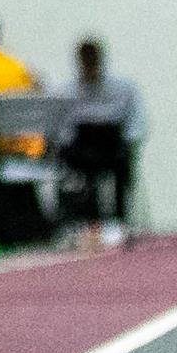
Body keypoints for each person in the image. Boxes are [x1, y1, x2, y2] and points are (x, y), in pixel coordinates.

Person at [57, 37, 143, 233]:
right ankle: (85, 218)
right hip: (82, 149)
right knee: (71, 163)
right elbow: (62, 127)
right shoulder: (66, 91)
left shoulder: (123, 88)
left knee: (122, 161)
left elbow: (136, 122)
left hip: (112, 148)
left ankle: (120, 218)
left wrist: (130, 143)